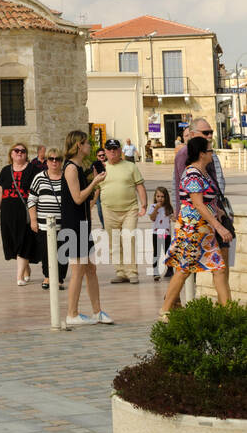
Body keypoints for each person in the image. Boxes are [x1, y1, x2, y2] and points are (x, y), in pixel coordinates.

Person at [160, 136, 233, 317]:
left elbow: (207, 201)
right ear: (202, 154)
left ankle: (229, 312)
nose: (212, 154)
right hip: (192, 230)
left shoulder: (203, 172)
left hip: (205, 233)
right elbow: (198, 204)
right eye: (210, 151)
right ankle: (165, 310)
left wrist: (218, 211)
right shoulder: (192, 174)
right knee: (184, 270)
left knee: (219, 269)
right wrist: (219, 227)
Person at [61, 129, 112, 324]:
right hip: (73, 226)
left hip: (83, 224)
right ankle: (71, 314)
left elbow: (86, 200)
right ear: (79, 145)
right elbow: (77, 197)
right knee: (78, 270)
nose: (90, 146)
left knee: (91, 269)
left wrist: (94, 183)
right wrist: (94, 183)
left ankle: (97, 311)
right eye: (86, 143)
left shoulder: (79, 167)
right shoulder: (71, 168)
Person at [99, 138, 147, 284]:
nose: (112, 151)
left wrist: (144, 204)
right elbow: (95, 188)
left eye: (115, 149)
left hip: (130, 209)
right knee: (114, 241)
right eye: (109, 149)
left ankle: (132, 272)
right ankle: (120, 272)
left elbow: (139, 186)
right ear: (105, 152)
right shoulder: (101, 168)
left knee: (129, 237)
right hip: (109, 209)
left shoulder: (130, 166)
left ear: (120, 150)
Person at [0, 142, 40, 285]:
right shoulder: (5, 171)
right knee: (13, 242)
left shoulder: (33, 170)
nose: (20, 153)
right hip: (8, 212)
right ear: (11, 154)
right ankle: (26, 269)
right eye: (16, 150)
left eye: (23, 151)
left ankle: (19, 276)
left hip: (26, 212)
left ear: (26, 154)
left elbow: (37, 191)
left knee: (24, 241)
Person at [28, 148, 67, 290]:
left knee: (62, 251)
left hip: (63, 223)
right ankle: (48, 276)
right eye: (51, 159)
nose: (54, 162)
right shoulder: (39, 177)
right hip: (44, 223)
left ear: (62, 161)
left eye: (58, 159)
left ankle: (60, 278)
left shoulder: (66, 177)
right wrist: (33, 220)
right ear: (47, 161)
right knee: (45, 251)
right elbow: (32, 200)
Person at [148, 186, 173, 280]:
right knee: (156, 252)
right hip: (157, 232)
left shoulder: (168, 207)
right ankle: (155, 271)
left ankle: (170, 270)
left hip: (166, 233)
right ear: (155, 197)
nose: (160, 199)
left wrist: (174, 217)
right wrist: (156, 209)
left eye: (162, 196)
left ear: (166, 198)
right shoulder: (153, 207)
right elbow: (152, 218)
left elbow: (172, 217)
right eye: (158, 196)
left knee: (168, 251)